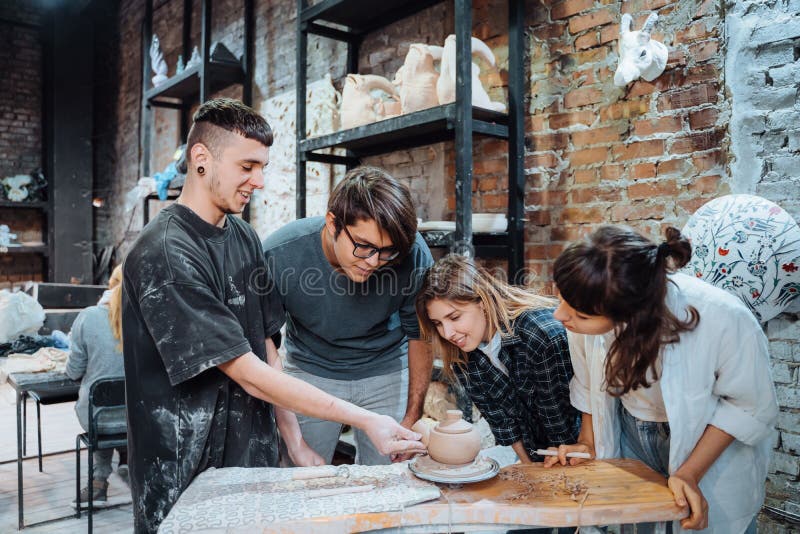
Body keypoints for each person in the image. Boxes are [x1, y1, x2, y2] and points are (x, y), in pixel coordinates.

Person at [122, 99, 423, 533]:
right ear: (201, 159)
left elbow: (266, 347)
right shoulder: (166, 252)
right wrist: (363, 419)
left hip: (247, 454)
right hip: (183, 461)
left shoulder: (243, 237)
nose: (259, 181)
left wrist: (296, 442)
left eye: (262, 167)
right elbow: (245, 372)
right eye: (247, 166)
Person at [547, 225, 778, 533]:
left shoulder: (723, 317)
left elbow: (747, 406)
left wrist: (690, 473)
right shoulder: (585, 310)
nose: (559, 316)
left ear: (633, 314)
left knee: (697, 520)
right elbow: (589, 383)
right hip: (630, 432)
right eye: (560, 299)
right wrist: (587, 443)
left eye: (582, 316)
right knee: (632, 521)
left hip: (705, 437)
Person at [262, 165, 434, 465]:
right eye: (364, 246)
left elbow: (421, 334)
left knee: (389, 484)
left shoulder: (412, 252)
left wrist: (411, 416)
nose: (374, 262)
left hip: (386, 370)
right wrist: (293, 442)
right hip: (310, 374)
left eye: (386, 252)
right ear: (333, 223)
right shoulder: (280, 254)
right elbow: (266, 347)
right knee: (301, 481)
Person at [415, 254, 579, 464]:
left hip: (579, 452)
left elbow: (559, 420)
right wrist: (529, 471)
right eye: (437, 323)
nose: (447, 333)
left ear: (482, 301)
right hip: (537, 456)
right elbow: (504, 424)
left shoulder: (540, 335)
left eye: (454, 317)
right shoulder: (460, 353)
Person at [65, 264, 128, 507]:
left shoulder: (89, 316)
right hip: (137, 417)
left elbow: (73, 371)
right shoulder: (148, 318)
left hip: (97, 417)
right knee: (120, 410)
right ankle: (125, 461)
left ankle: (98, 484)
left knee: (99, 411)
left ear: (110, 284)